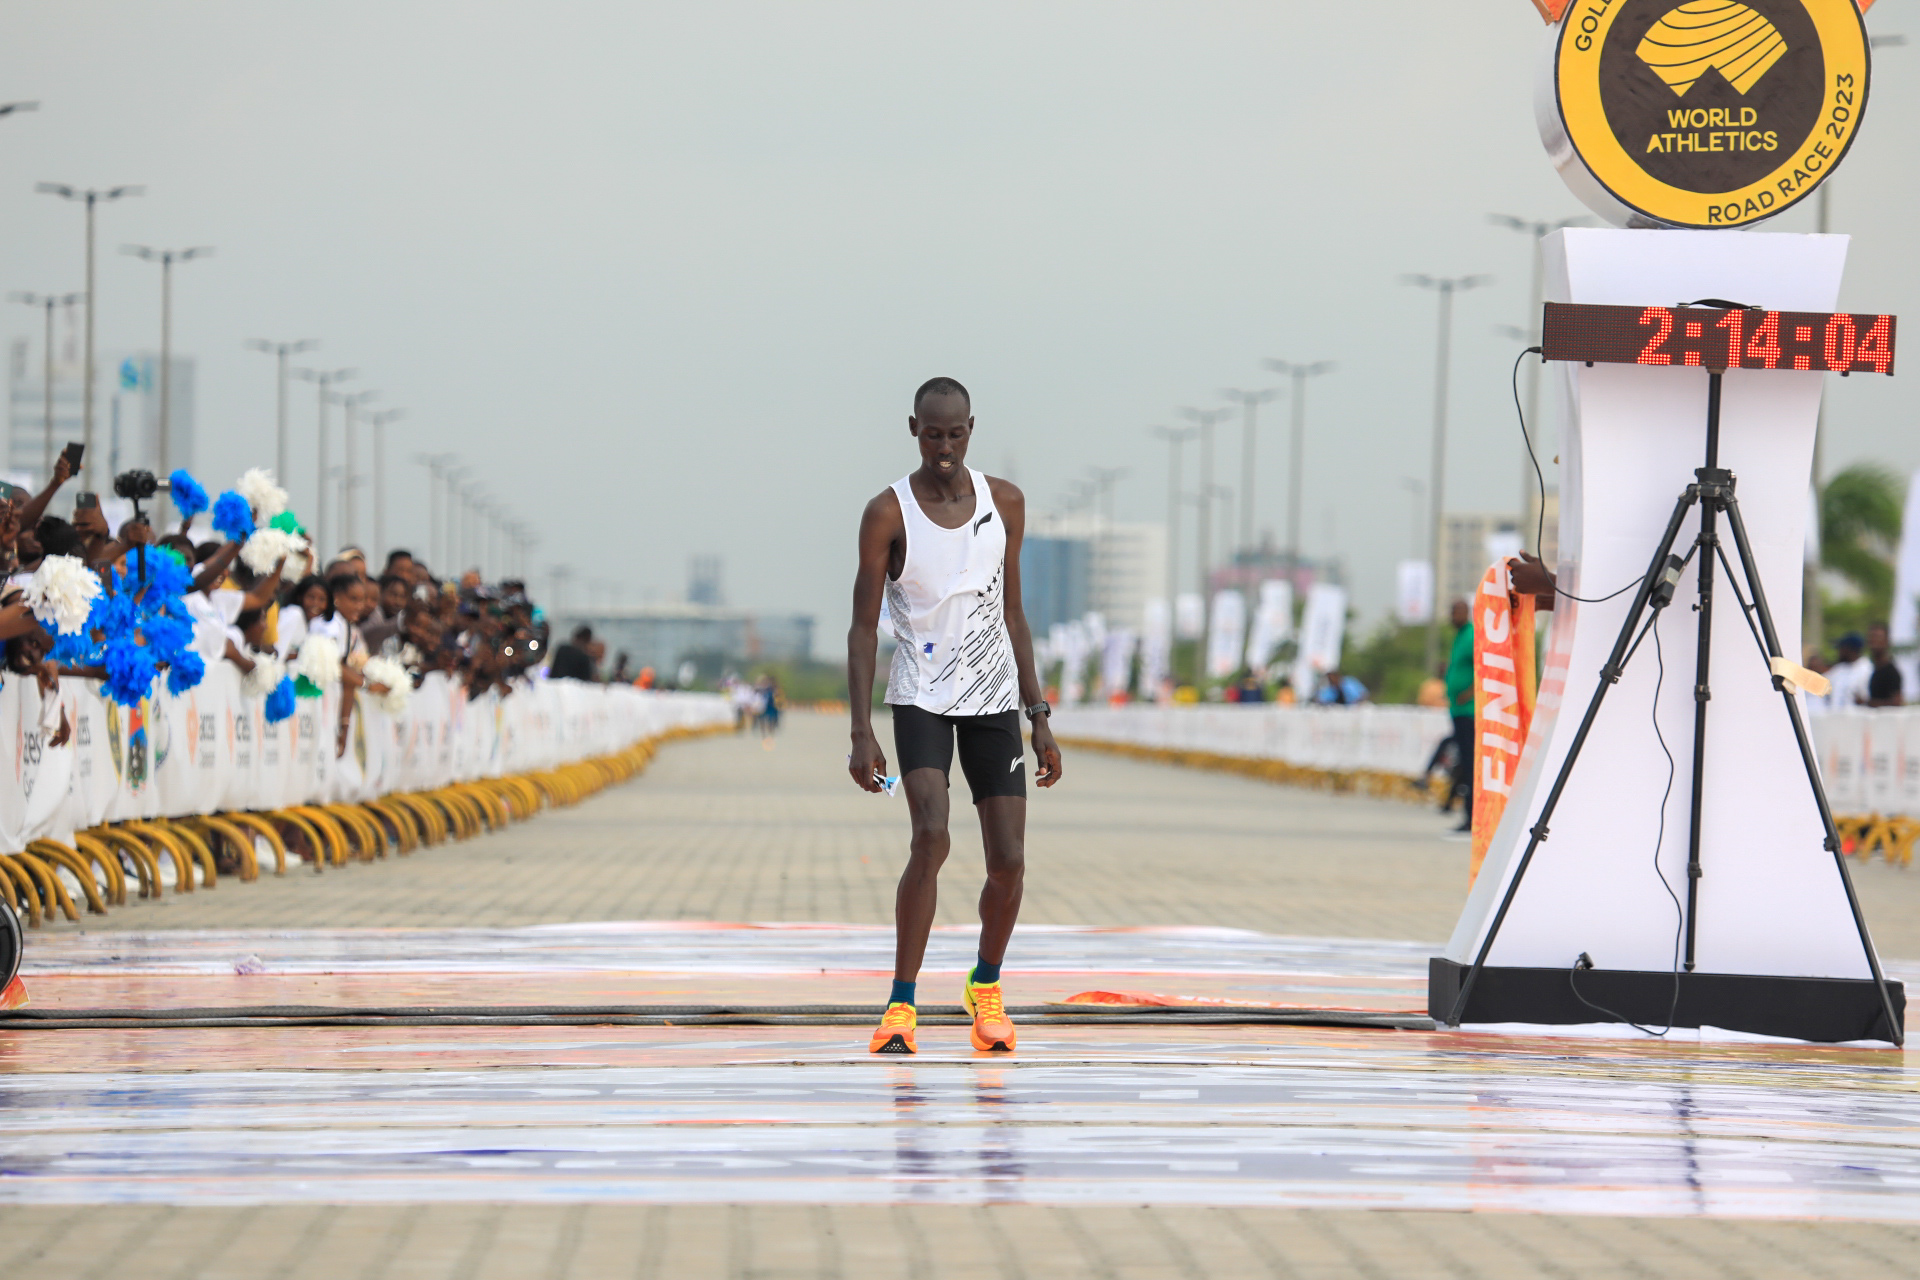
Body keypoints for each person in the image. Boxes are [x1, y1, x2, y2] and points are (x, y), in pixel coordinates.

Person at [847, 376, 1062, 1056]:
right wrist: (860, 731)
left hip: (994, 699)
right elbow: (861, 628)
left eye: (956, 433)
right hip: (921, 698)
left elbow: (1015, 612)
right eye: (933, 434)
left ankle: (987, 985)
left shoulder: (1006, 503)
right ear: (914, 428)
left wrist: (1039, 713)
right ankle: (902, 1003)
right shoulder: (888, 512)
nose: (944, 447)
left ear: (972, 428)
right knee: (931, 838)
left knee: (1009, 861)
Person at [1443, 598, 1474, 837]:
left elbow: (1482, 665)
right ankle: (1459, 809)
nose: (1453, 615)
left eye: (1457, 611)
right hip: (1458, 710)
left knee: (1469, 764)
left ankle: (1471, 816)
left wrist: (1470, 692)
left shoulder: (1472, 634)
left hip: (1470, 710)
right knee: (1462, 762)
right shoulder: (1459, 636)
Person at [1828, 632, 1872, 710]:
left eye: (1842, 648)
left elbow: (1866, 699)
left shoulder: (1867, 668)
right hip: (1834, 717)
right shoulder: (1839, 668)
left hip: (1855, 719)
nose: (1839, 652)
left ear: (1850, 650)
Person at [1865, 622, 1904, 708]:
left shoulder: (1891, 672)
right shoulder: (1871, 670)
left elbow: (1897, 702)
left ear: (1886, 641)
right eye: (1871, 637)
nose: (1874, 641)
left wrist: (1869, 703)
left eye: (1877, 637)